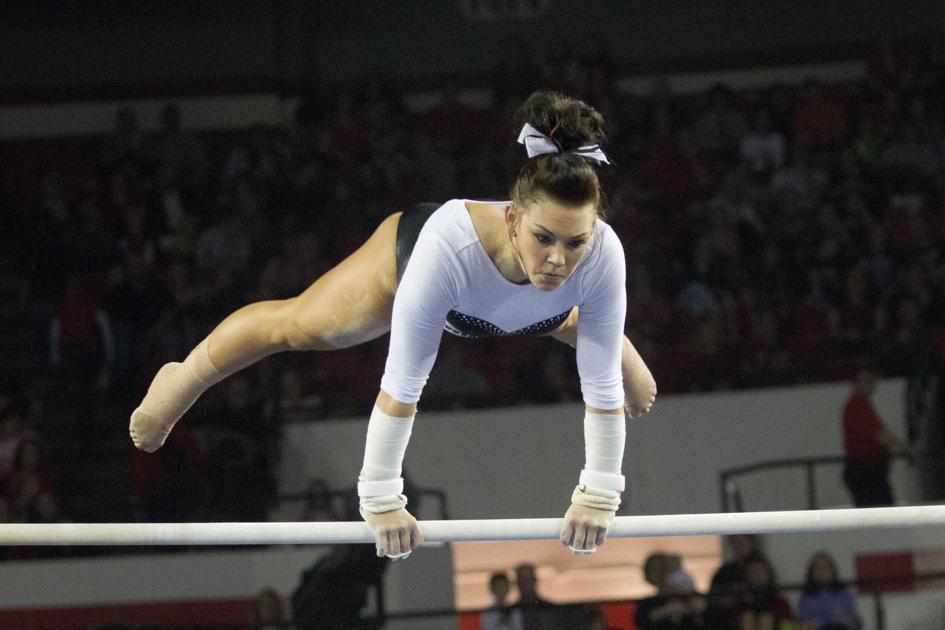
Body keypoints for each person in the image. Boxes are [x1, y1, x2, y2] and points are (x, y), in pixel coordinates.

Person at [129, 91, 658, 558]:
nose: (559, 258)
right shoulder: (449, 247)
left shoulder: (603, 255)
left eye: (575, 242)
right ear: (513, 218)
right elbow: (403, 386)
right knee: (299, 328)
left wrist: (598, 493)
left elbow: (600, 388)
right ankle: (185, 374)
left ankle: (605, 333)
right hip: (412, 270)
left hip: (529, 310)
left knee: (585, 334)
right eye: (545, 237)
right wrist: (380, 496)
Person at [841, 367, 907, 507]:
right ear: (855, 383)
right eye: (865, 381)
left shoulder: (863, 405)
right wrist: (904, 449)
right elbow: (878, 435)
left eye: (871, 381)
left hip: (871, 471)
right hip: (865, 471)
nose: (870, 385)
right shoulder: (856, 406)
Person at [635, 552, 705, 630]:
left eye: (664, 568)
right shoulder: (647, 604)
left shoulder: (693, 597)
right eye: (655, 569)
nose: (661, 573)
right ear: (649, 575)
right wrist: (664, 611)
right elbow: (642, 621)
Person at [796, 551, 861, 630]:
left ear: (832, 570)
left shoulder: (844, 592)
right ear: (811, 572)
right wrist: (827, 621)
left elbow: (854, 620)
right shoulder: (806, 597)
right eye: (818, 568)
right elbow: (803, 622)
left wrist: (848, 621)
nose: (822, 572)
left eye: (825, 568)